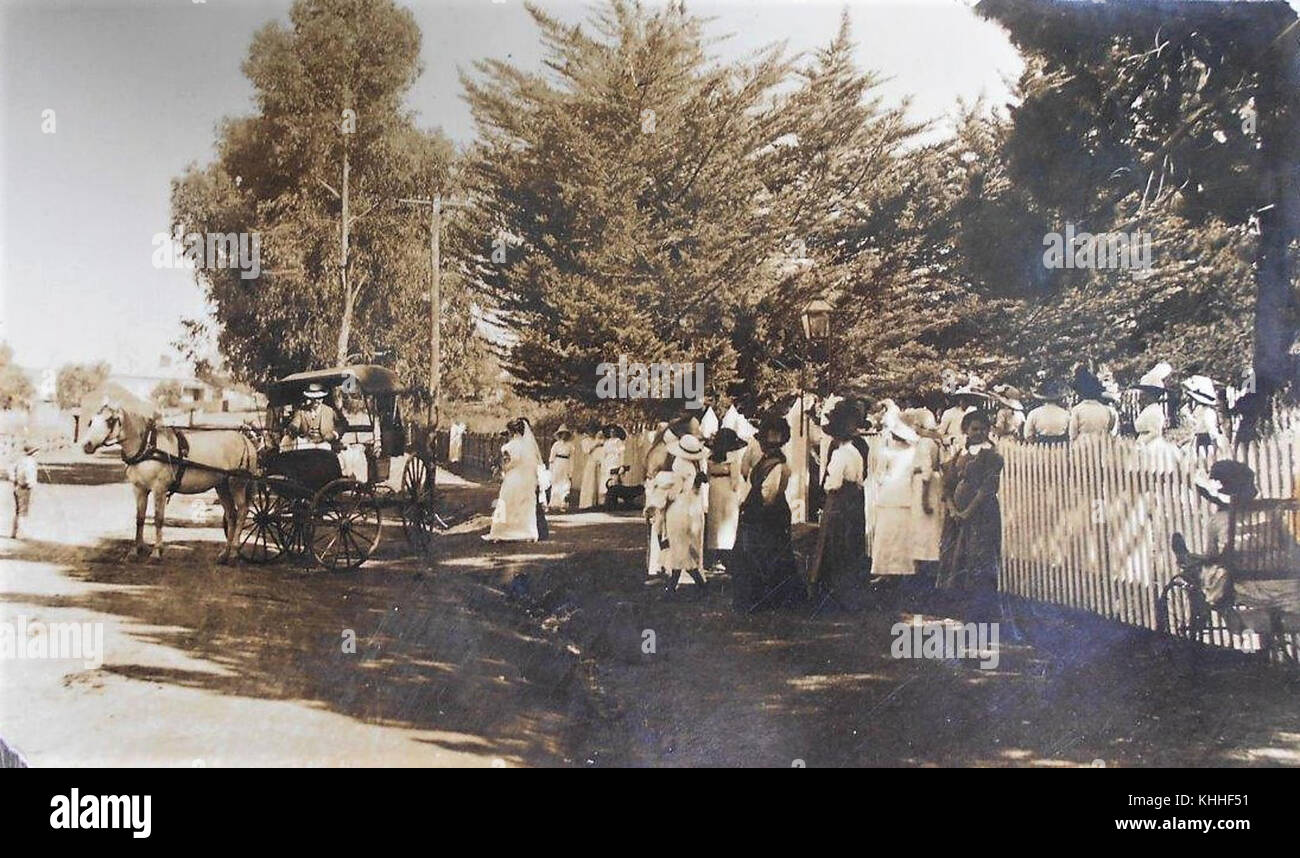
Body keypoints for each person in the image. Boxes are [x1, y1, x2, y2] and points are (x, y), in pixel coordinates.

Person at [937, 410, 1004, 620]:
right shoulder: (958, 455)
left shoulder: (992, 456)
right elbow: (947, 486)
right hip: (957, 517)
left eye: (984, 429)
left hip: (981, 515)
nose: (979, 432)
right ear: (965, 430)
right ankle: (958, 606)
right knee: (955, 556)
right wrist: (953, 510)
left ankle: (982, 610)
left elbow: (987, 489)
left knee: (979, 557)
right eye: (975, 429)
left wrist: (967, 512)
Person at [732, 413, 798, 611]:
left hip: (769, 514)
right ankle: (758, 595)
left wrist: (755, 508)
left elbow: (768, 495)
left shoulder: (777, 464)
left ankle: (768, 597)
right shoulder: (770, 461)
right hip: (762, 511)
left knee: (767, 554)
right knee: (757, 554)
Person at [809, 399, 867, 603]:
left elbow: (832, 483)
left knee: (833, 542)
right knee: (849, 543)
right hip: (854, 500)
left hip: (838, 500)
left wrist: (825, 490)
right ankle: (849, 588)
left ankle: (832, 590)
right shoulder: (857, 451)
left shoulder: (840, 454)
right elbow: (860, 480)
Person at [869, 411, 919, 586]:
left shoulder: (887, 452)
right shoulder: (913, 452)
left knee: (887, 535)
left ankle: (888, 572)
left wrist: (883, 482)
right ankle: (900, 572)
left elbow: (879, 475)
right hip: (905, 495)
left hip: (890, 495)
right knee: (901, 535)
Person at [658, 433, 710, 596]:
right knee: (687, 548)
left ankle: (674, 587)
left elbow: (674, 491)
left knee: (679, 547)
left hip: (680, 507)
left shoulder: (680, 465)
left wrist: (662, 494)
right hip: (694, 507)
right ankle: (685, 585)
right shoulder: (697, 465)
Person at [903, 408, 943, 585]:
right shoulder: (934, 442)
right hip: (931, 483)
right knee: (929, 528)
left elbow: (926, 470)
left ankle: (924, 573)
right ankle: (926, 570)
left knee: (924, 527)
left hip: (925, 486)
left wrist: (924, 498)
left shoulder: (925, 444)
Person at [483, 418, 541, 542]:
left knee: (507, 503)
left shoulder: (508, 447)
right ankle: (526, 531)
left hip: (513, 478)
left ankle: (503, 531)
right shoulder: (529, 447)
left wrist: (501, 469)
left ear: (512, 432)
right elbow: (533, 464)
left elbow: (506, 464)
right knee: (524, 504)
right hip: (526, 479)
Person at [704, 427, 748, 570]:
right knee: (729, 521)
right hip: (728, 489)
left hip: (714, 488)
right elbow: (736, 479)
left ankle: (714, 556)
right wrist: (739, 493)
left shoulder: (710, 457)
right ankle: (727, 556)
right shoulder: (733, 458)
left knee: (714, 521)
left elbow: (707, 474)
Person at [286, 383, 341, 450]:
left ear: (322, 398)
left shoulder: (330, 411)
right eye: (314, 398)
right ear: (310, 398)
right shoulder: (302, 411)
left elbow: (342, 424)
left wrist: (334, 434)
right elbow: (295, 423)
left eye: (319, 398)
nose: (316, 401)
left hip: (324, 443)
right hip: (306, 443)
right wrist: (293, 428)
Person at [1181, 374, 1226, 454]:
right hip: (1200, 437)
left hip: (1207, 440)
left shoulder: (1208, 412)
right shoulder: (1195, 409)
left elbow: (1212, 432)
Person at [1068, 366, 1116, 440]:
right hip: (1102, 443)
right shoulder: (1105, 410)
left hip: (1083, 444)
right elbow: (1110, 427)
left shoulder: (1077, 410)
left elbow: (1073, 434)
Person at [7, 443, 39, 539]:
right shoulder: (30, 462)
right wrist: (29, 483)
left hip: (17, 486)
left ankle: (15, 532)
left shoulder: (20, 460)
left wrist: (14, 480)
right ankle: (20, 533)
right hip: (24, 487)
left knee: (18, 510)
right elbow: (28, 474)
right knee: (23, 511)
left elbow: (11, 471)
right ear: (32, 452)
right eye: (36, 451)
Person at [547, 425, 575, 511]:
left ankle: (563, 504)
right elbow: (552, 458)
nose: (564, 436)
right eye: (562, 434)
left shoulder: (571, 446)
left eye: (566, 434)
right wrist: (551, 469)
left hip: (566, 464)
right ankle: (554, 504)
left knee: (565, 484)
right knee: (556, 483)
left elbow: (572, 459)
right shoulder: (556, 445)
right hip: (557, 464)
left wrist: (571, 471)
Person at [577, 421, 604, 510]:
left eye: (593, 430)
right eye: (590, 430)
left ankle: (599, 503)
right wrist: (596, 444)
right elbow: (587, 450)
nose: (591, 432)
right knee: (590, 481)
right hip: (590, 462)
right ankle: (587, 503)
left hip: (599, 461)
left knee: (599, 481)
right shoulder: (585, 441)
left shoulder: (599, 439)